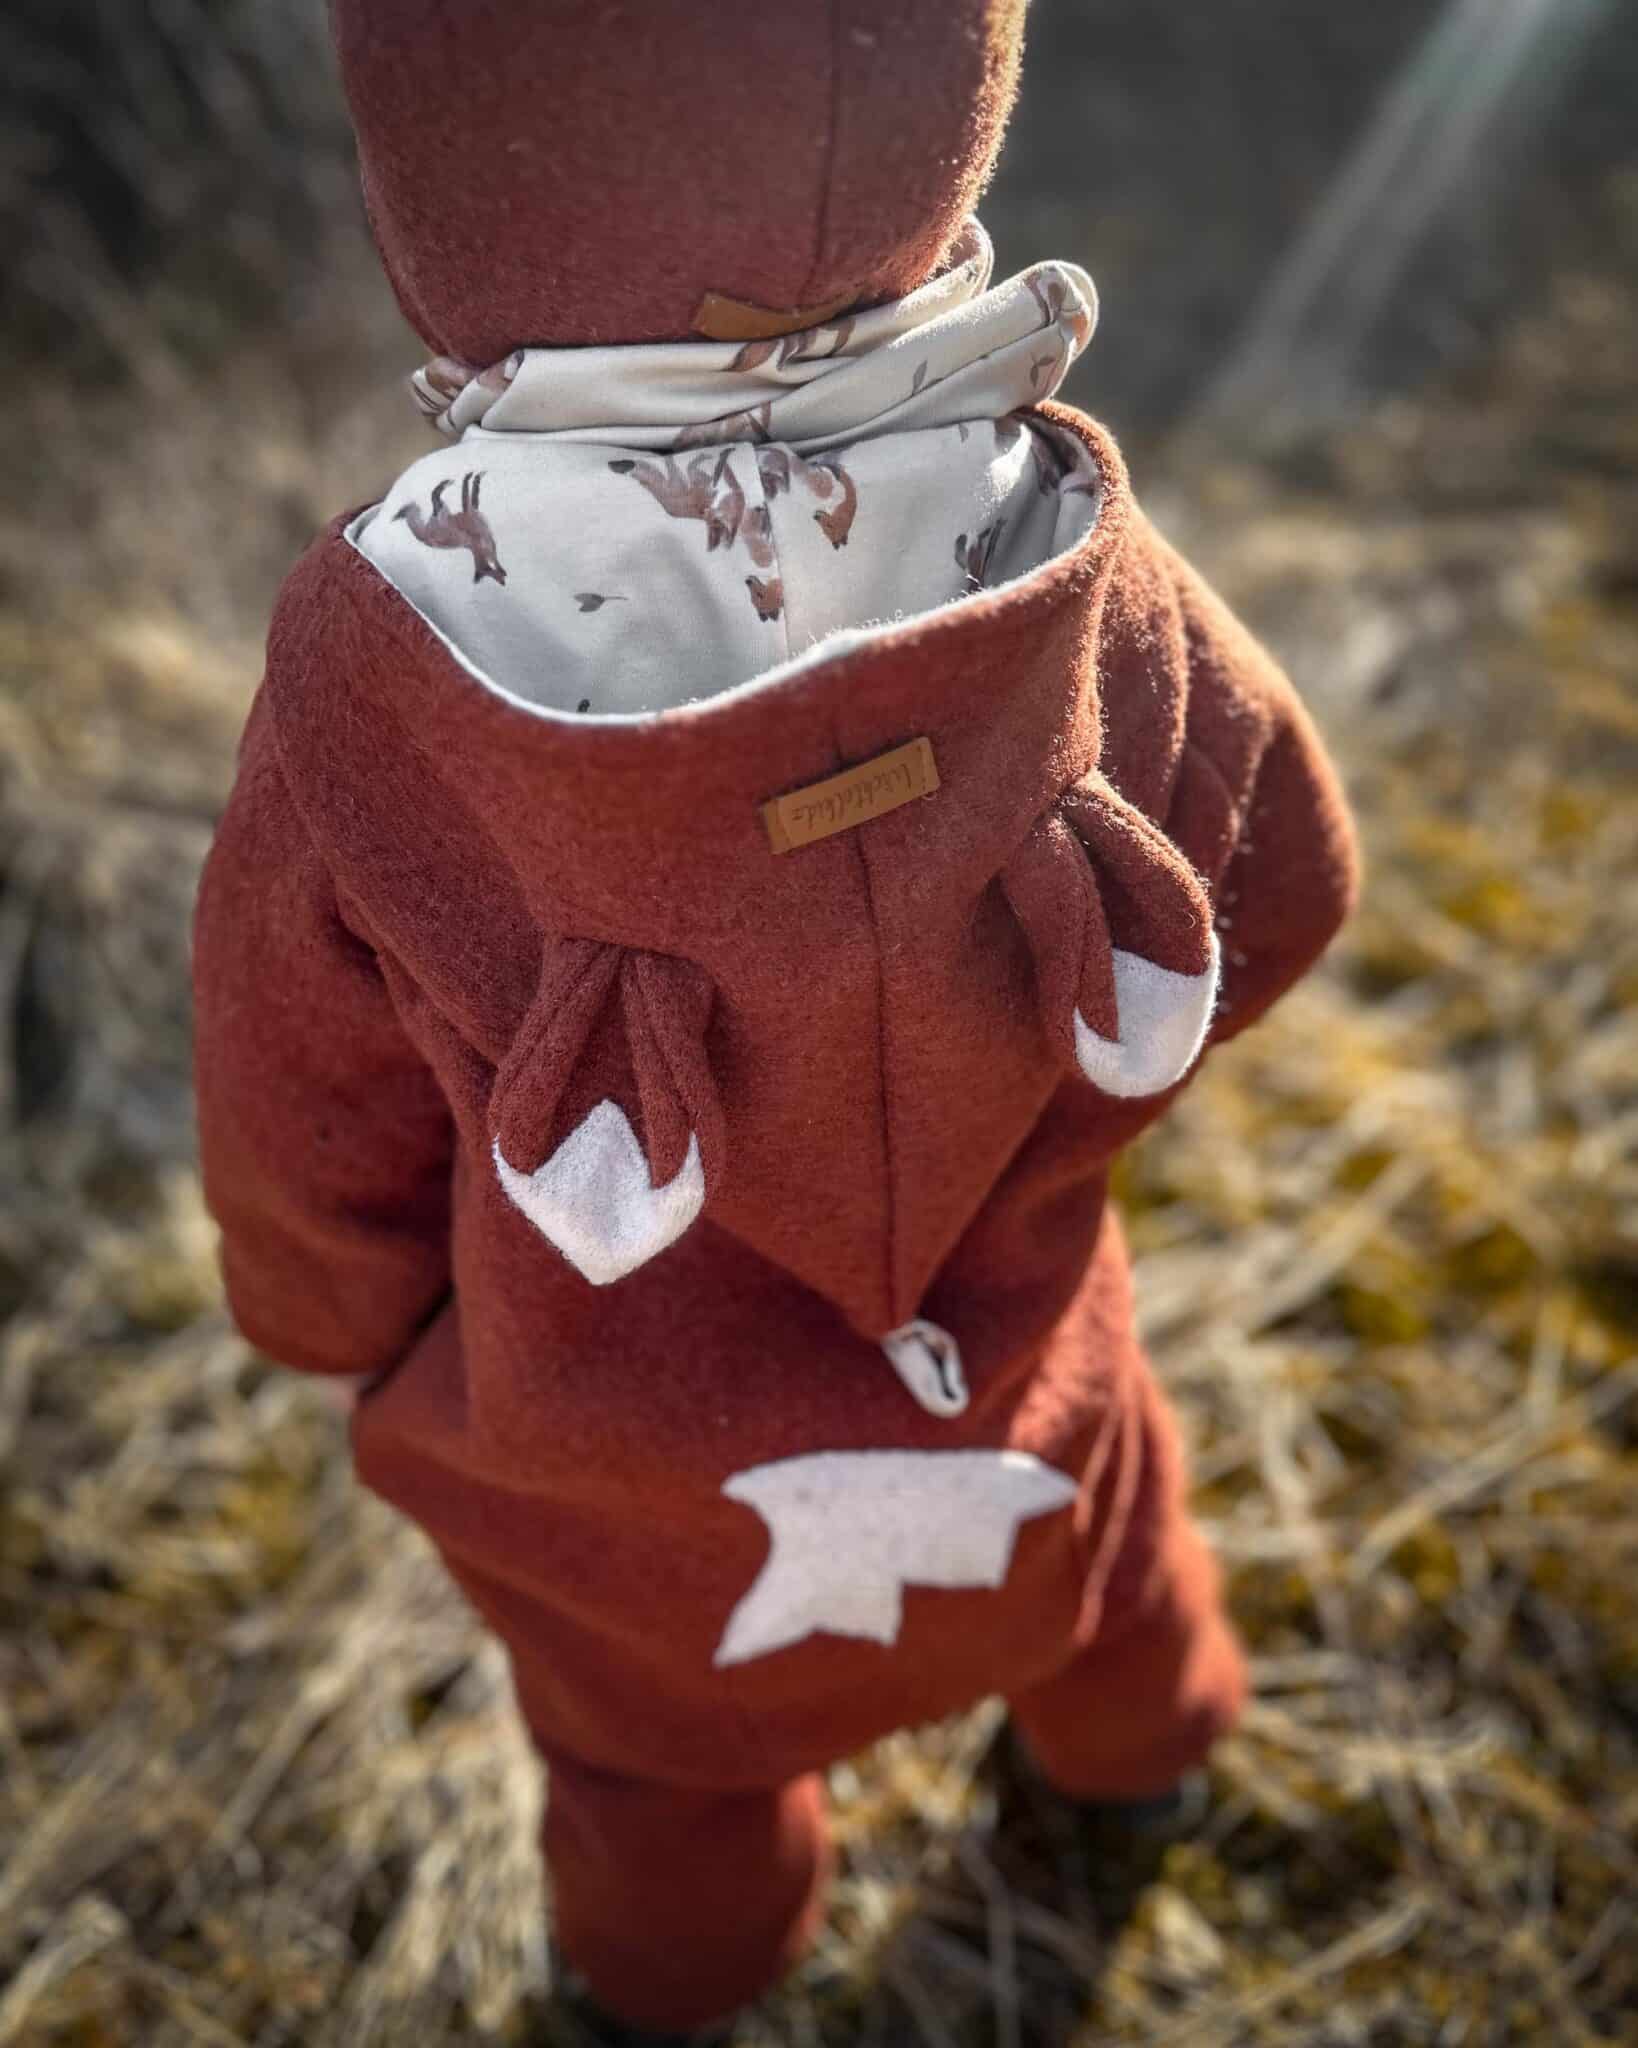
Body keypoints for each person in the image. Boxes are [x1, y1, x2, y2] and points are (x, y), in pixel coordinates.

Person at [191, 1, 1359, 2035]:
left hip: (613, 1460)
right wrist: (1064, 1112)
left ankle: (665, 1988)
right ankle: (1138, 1766)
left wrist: (342, 1323)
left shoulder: (386, 655)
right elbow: (1287, 878)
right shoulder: (1051, 518)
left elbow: (293, 1086)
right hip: (1011, 1357)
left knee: (654, 1765)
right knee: (1101, 1518)